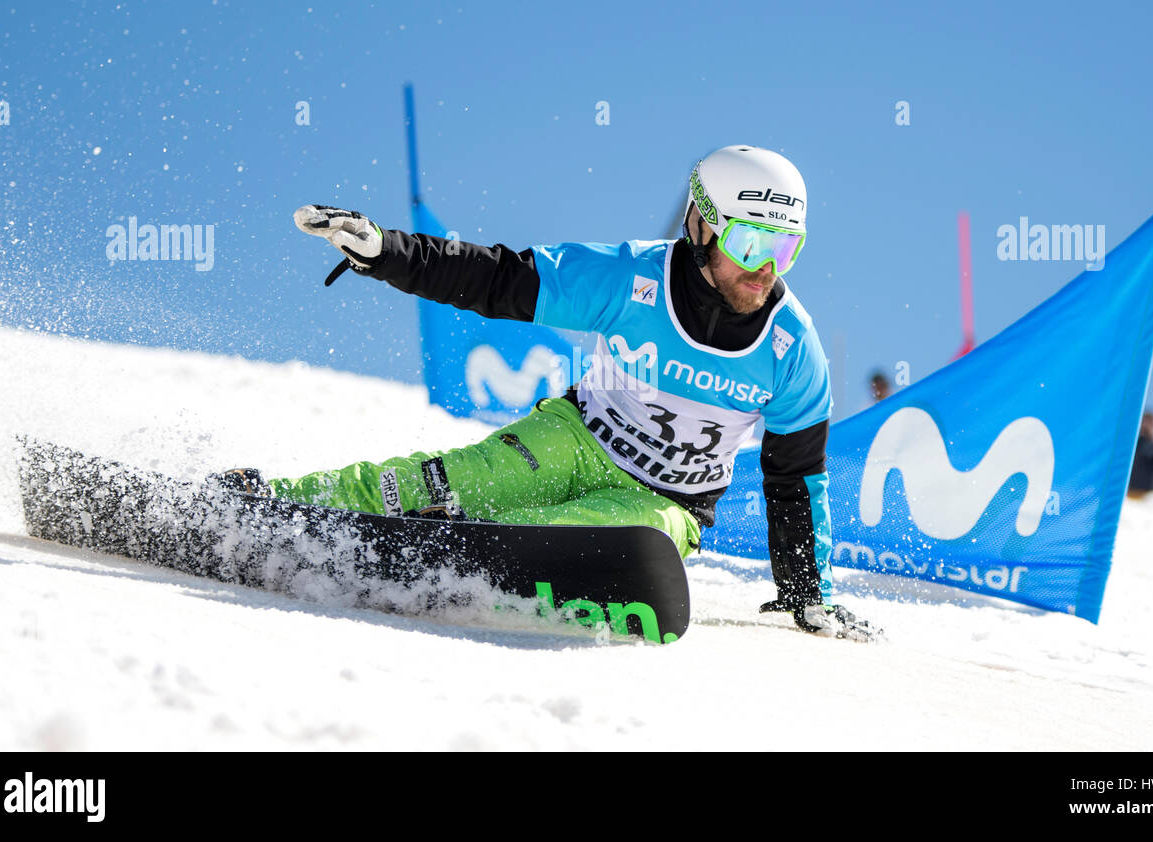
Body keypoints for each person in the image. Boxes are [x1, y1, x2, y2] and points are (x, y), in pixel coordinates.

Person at [221, 145, 863, 635]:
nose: (765, 268)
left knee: (571, 540)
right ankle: (248, 511)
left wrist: (808, 595)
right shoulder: (629, 277)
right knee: (439, 484)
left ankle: (441, 553)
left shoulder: (793, 350)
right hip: (576, 438)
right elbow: (502, 278)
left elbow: (795, 480)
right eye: (751, 241)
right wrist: (386, 251)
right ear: (701, 226)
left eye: (786, 248)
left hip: (670, 501)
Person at [1127, 409, 1153, 498]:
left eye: (1151, 424)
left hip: (1151, 495)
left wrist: (1152, 436)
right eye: (1145, 422)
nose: (1147, 426)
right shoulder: (1133, 444)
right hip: (1131, 492)